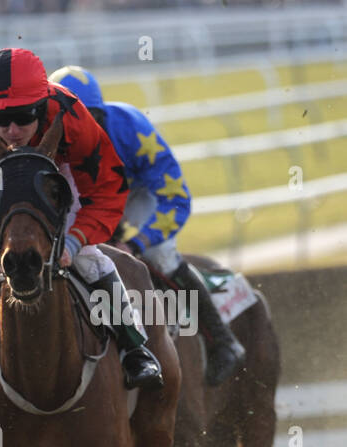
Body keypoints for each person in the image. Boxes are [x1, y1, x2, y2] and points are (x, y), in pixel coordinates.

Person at [0, 48, 164, 390]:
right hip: (2, 177)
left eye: (23, 117)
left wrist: (74, 241)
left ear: (43, 106)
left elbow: (107, 189)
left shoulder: (70, 113)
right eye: (1, 119)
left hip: (58, 173)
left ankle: (135, 350)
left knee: (90, 260)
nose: (12, 131)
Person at [49, 65, 245, 385]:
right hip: (85, 202)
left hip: (134, 196)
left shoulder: (130, 128)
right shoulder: (45, 140)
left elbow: (175, 197)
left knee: (160, 255)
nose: (86, 129)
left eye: (93, 118)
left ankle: (222, 341)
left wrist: (137, 243)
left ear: (102, 114)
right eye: (73, 120)